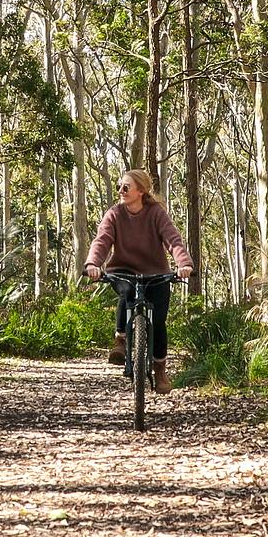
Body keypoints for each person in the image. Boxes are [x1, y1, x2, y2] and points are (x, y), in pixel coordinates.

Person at [83, 169, 194, 395]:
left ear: (141, 191)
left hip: (156, 273)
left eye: (126, 187)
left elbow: (173, 240)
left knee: (160, 322)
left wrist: (184, 264)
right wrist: (92, 264)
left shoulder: (156, 213)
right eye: (119, 187)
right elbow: (102, 241)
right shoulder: (114, 214)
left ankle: (160, 369)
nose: (121, 191)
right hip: (123, 270)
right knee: (127, 290)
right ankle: (121, 340)